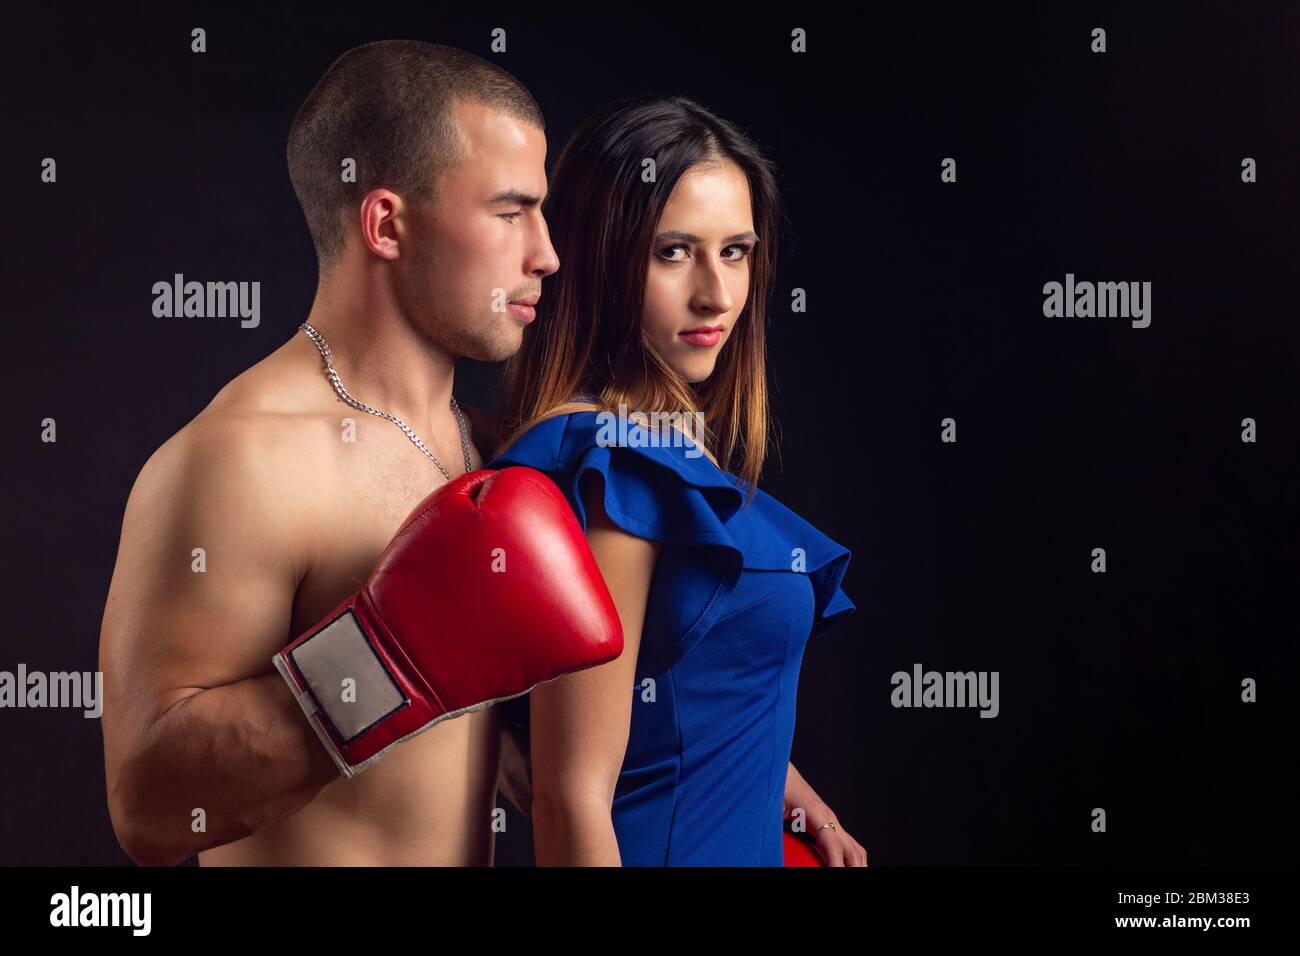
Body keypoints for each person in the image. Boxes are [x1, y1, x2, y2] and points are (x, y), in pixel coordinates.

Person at [97, 39, 608, 866]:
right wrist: (391, 659)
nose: (546, 253)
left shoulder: (491, 451)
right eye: (511, 212)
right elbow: (149, 804)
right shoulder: (238, 460)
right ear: (386, 224)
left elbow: (481, 769)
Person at [487, 95, 869, 866]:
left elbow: (669, 694)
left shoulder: (656, 449)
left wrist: (786, 793)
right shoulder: (614, 467)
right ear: (600, 259)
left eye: (735, 251)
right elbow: (572, 795)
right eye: (673, 252)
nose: (716, 295)